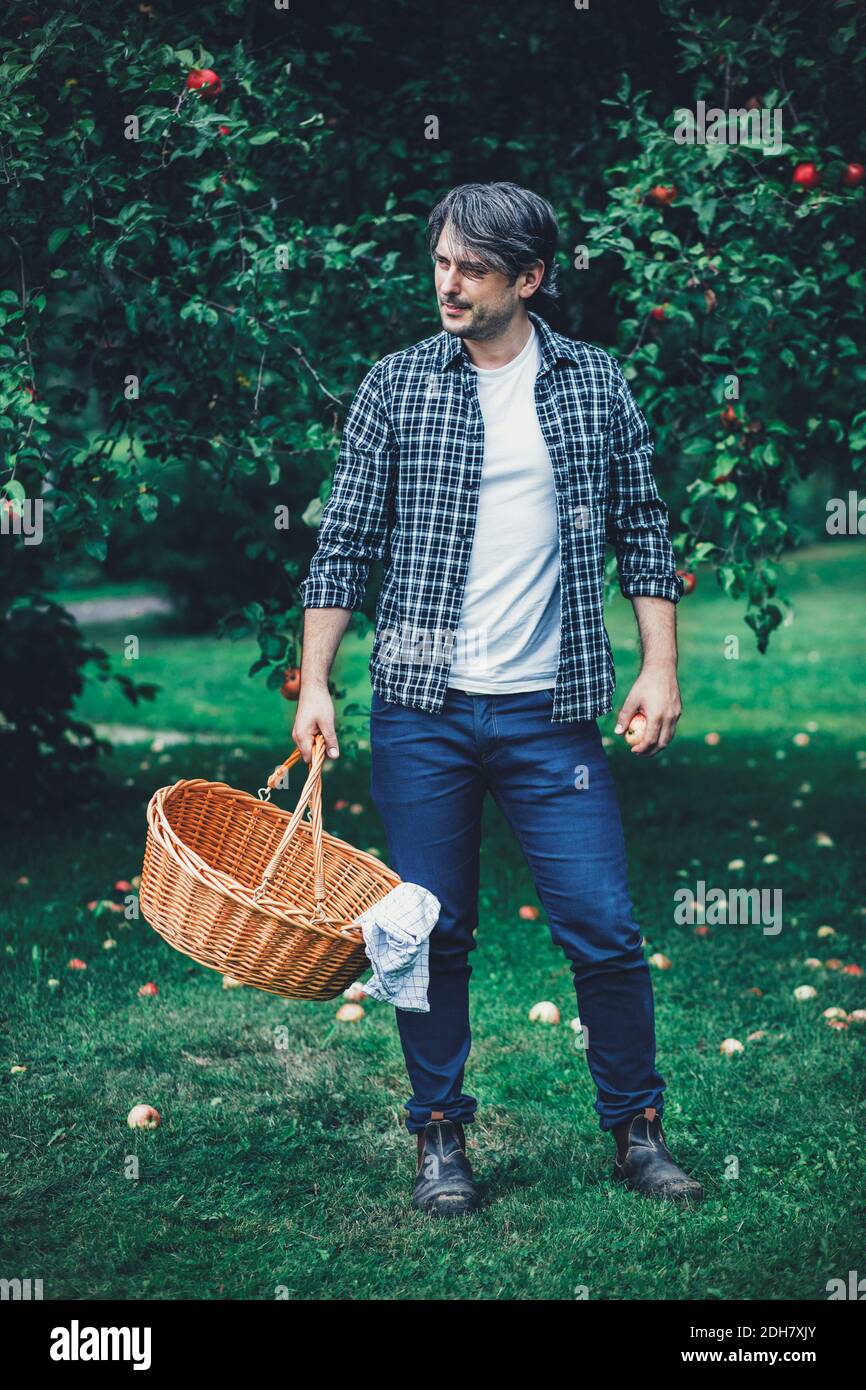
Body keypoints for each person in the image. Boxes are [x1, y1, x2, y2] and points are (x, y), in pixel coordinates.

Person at [295, 181, 702, 1214]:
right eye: (439, 261)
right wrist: (318, 683)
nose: (447, 282)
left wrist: (659, 668)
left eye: (471, 267)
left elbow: (641, 530)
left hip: (548, 713)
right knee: (426, 932)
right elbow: (343, 541)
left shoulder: (592, 385)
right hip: (421, 709)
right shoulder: (396, 386)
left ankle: (636, 1134)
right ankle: (439, 1139)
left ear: (526, 279)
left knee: (601, 926)